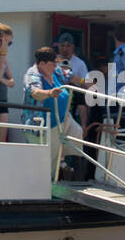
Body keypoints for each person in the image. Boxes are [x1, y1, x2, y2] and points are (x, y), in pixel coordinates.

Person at [23, 46, 85, 178]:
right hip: (46, 124)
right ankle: (47, 185)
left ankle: (63, 161)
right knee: (49, 159)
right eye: (53, 63)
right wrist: (50, 93)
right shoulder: (32, 74)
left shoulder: (56, 71)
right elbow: (35, 93)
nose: (56, 65)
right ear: (42, 64)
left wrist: (85, 83)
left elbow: (70, 76)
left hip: (63, 118)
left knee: (77, 132)